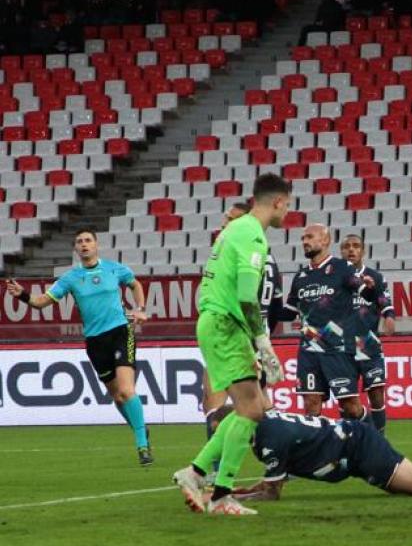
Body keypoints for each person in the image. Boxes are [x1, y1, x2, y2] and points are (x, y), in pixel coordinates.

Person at [173, 173, 293, 516]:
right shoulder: (253, 236)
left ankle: (194, 473)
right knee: (253, 409)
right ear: (279, 202)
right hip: (227, 324)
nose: (287, 212)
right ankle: (221, 493)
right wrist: (263, 341)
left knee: (253, 405)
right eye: (288, 206)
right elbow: (245, 297)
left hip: (215, 321)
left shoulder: (233, 231)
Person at [6, 230, 152, 465]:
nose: (84, 245)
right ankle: (140, 428)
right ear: (76, 249)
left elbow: (135, 284)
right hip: (95, 342)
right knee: (116, 396)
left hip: (120, 333)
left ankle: (142, 444)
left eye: (88, 241)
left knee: (127, 390)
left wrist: (141, 308)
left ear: (96, 245)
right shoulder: (70, 278)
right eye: (79, 242)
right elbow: (41, 302)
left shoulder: (115, 269)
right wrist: (22, 294)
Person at [209, 409, 412, 499]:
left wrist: (229, 497)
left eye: (219, 432)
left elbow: (273, 492)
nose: (219, 439)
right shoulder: (264, 424)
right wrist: (234, 491)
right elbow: (270, 484)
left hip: (357, 449)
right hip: (353, 447)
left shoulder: (268, 437)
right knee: (410, 482)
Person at [200, 202, 283, 453]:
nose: (225, 224)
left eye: (231, 219)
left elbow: (244, 297)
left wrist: (254, 336)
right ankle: (280, 459)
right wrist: (264, 335)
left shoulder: (239, 252)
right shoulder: (269, 258)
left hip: (234, 333)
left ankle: (211, 473)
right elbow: (276, 307)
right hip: (257, 334)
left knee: (215, 402)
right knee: (261, 404)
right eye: (225, 218)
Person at [283, 224, 377, 422]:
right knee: (311, 405)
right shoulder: (301, 277)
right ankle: (318, 453)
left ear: (325, 240)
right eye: (303, 238)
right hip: (309, 349)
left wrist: (369, 288)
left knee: (350, 407)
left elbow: (364, 293)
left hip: (337, 348)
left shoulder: (342, 267)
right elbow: (288, 313)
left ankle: (371, 443)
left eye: (310, 237)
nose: (305, 242)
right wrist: (264, 306)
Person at [339, 234, 395, 434]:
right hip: (342, 346)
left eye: (356, 246)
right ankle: (351, 443)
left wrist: (389, 316)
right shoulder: (335, 278)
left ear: (363, 251)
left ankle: (380, 441)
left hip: (367, 343)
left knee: (377, 393)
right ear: (341, 251)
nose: (351, 250)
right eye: (347, 246)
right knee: (346, 399)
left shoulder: (375, 276)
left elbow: (384, 300)